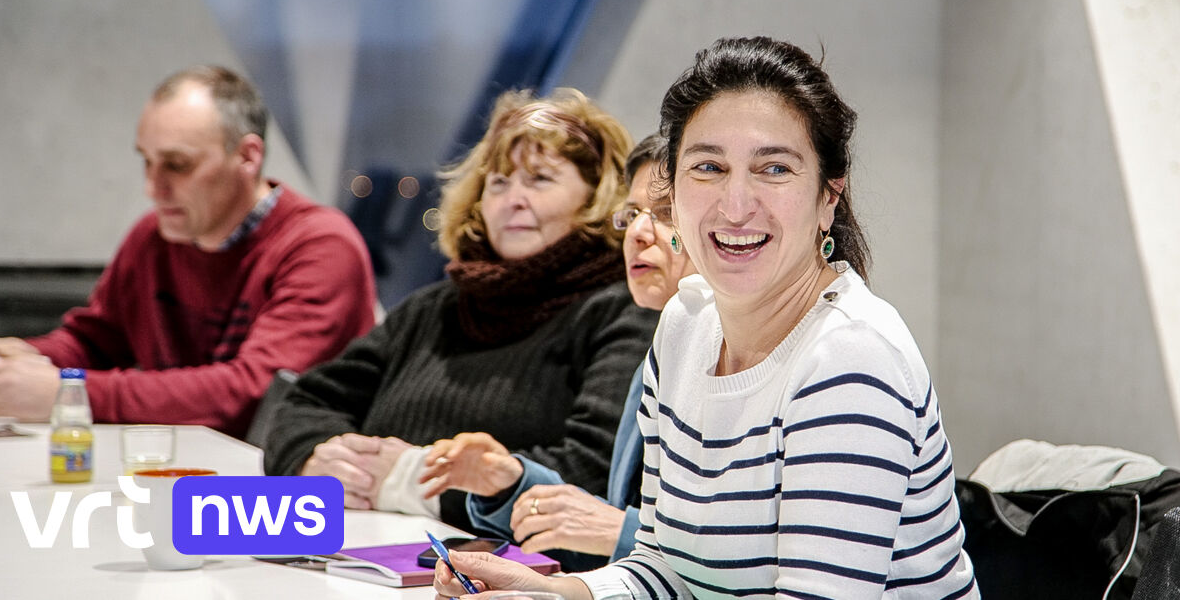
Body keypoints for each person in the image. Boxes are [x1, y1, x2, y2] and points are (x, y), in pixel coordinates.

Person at [433, 37, 979, 599]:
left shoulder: (850, 358)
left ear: (828, 198)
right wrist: (559, 593)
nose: (736, 204)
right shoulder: (684, 324)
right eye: (709, 167)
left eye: (774, 168)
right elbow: (666, 569)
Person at [262, 88, 658, 534]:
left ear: (597, 200)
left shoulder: (624, 309)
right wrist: (317, 456)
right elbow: (305, 402)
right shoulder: (435, 307)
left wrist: (406, 480)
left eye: (540, 180)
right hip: (362, 551)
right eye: (499, 182)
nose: (513, 199)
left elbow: (593, 472)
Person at [0, 66, 376, 438]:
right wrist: (23, 361)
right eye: (148, 162)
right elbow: (93, 341)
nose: (153, 188)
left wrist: (68, 393)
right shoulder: (154, 238)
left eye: (177, 165)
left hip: (284, 495)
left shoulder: (321, 246)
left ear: (248, 157)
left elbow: (254, 393)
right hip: (182, 469)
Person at [419, 133, 694, 571]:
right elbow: (600, 531)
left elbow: (753, 562)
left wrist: (621, 533)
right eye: (633, 214)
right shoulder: (665, 350)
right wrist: (511, 483)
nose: (639, 233)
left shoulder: (757, 352)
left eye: (665, 214)